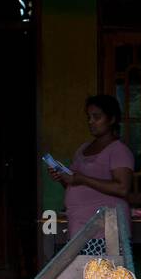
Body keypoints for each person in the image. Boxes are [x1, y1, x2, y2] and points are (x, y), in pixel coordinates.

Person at [49, 94, 134, 254]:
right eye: (89, 117)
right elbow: (74, 184)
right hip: (79, 228)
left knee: (105, 277)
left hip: (106, 231)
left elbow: (122, 188)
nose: (91, 122)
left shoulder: (118, 150)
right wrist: (63, 178)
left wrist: (81, 178)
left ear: (112, 119)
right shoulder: (83, 149)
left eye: (97, 117)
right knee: (84, 277)